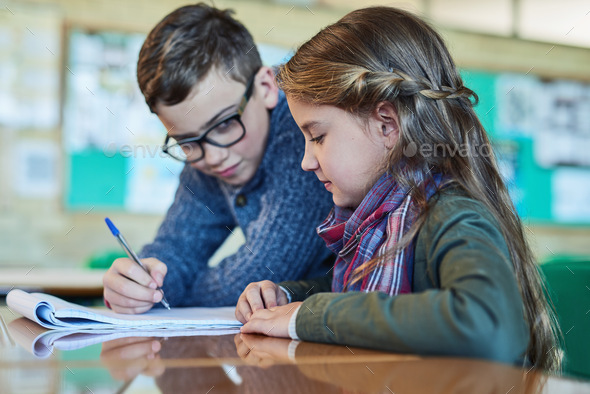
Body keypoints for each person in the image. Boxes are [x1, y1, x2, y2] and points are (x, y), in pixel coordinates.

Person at [235, 6, 561, 371]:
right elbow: (360, 292)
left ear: (387, 125)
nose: (306, 161)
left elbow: (490, 325)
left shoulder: (452, 214)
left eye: (318, 137)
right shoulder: (382, 220)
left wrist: (309, 316)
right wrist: (288, 297)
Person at [102, 3, 334, 312]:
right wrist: (140, 283)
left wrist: (171, 295)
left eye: (225, 124)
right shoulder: (208, 150)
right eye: (186, 142)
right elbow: (176, 249)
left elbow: (265, 269)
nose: (212, 157)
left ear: (266, 87)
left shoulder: (300, 133)